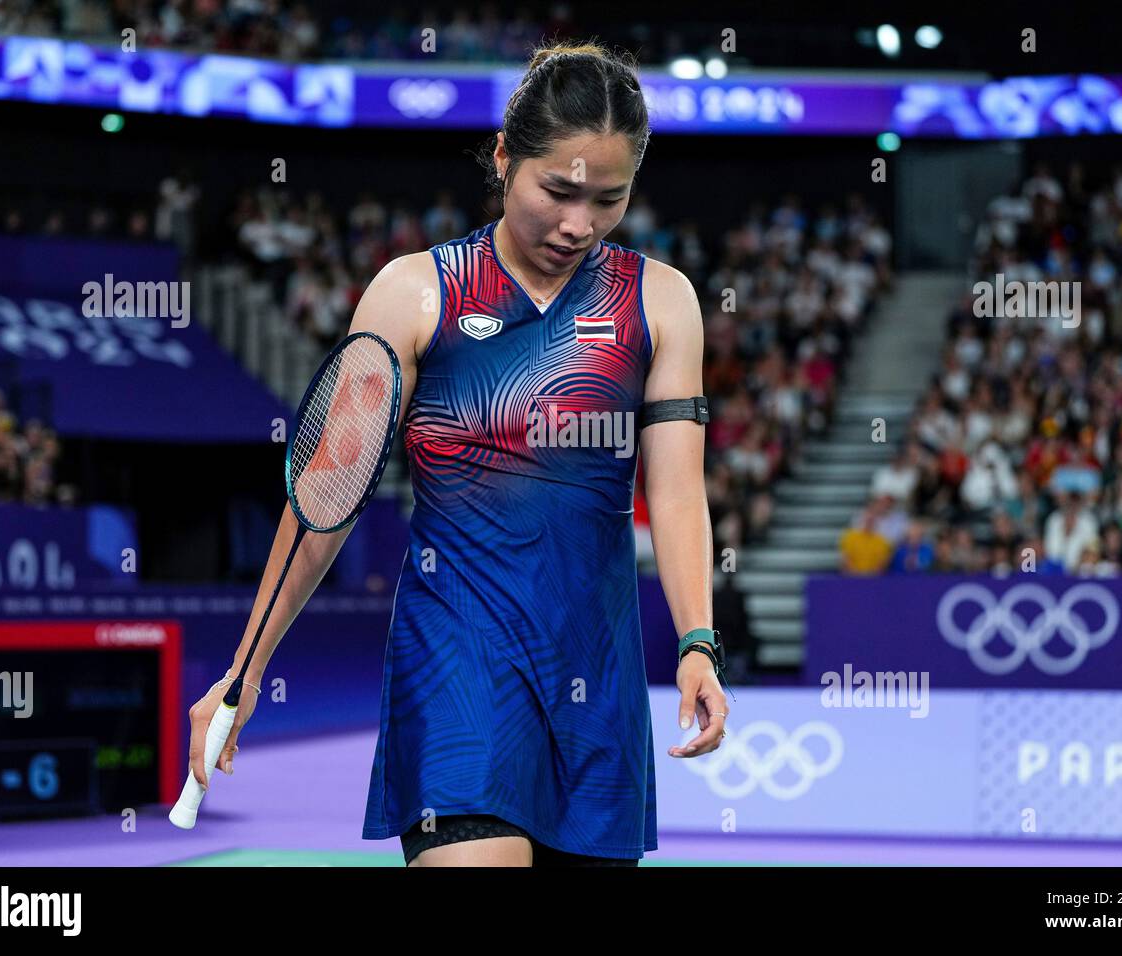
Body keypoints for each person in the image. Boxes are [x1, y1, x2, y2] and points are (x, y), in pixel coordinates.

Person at [182, 40, 728, 867]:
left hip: (596, 670)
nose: (579, 224)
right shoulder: (415, 294)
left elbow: (679, 493)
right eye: (558, 191)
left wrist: (697, 641)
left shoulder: (661, 301)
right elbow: (326, 499)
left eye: (608, 200)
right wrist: (247, 667)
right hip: (457, 654)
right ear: (505, 156)